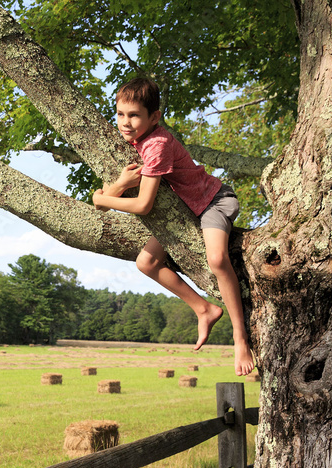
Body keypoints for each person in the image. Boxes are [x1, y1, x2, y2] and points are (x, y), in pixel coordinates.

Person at [92, 76, 255, 376]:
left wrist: (104, 199)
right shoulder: (129, 144)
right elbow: (108, 195)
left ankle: (240, 339)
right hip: (185, 212)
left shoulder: (156, 145)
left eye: (134, 115)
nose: (125, 122)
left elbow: (142, 205)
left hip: (211, 202)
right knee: (146, 262)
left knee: (217, 259)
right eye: (120, 114)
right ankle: (204, 309)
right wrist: (118, 185)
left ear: (154, 117)